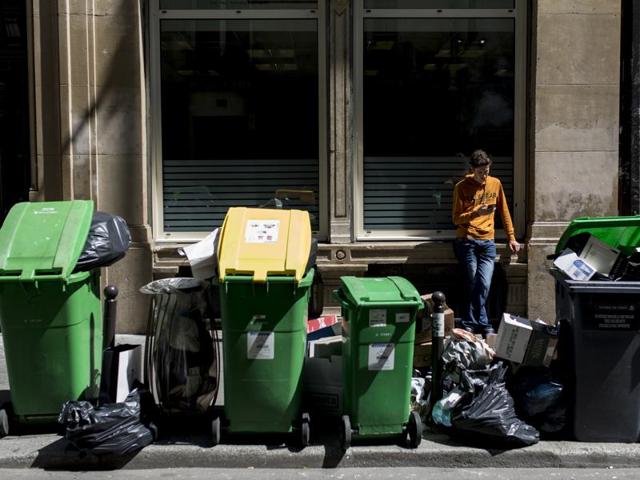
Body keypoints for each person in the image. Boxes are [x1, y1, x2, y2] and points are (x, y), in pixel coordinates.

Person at [452, 149, 520, 336]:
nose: (485, 175)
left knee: (484, 283)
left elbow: (504, 212)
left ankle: (470, 322)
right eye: (481, 172)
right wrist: (476, 212)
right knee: (473, 281)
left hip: (488, 241)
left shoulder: (495, 184)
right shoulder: (462, 187)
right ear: (472, 169)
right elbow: (456, 219)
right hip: (467, 240)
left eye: (487, 170)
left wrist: (512, 237)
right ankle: (482, 323)